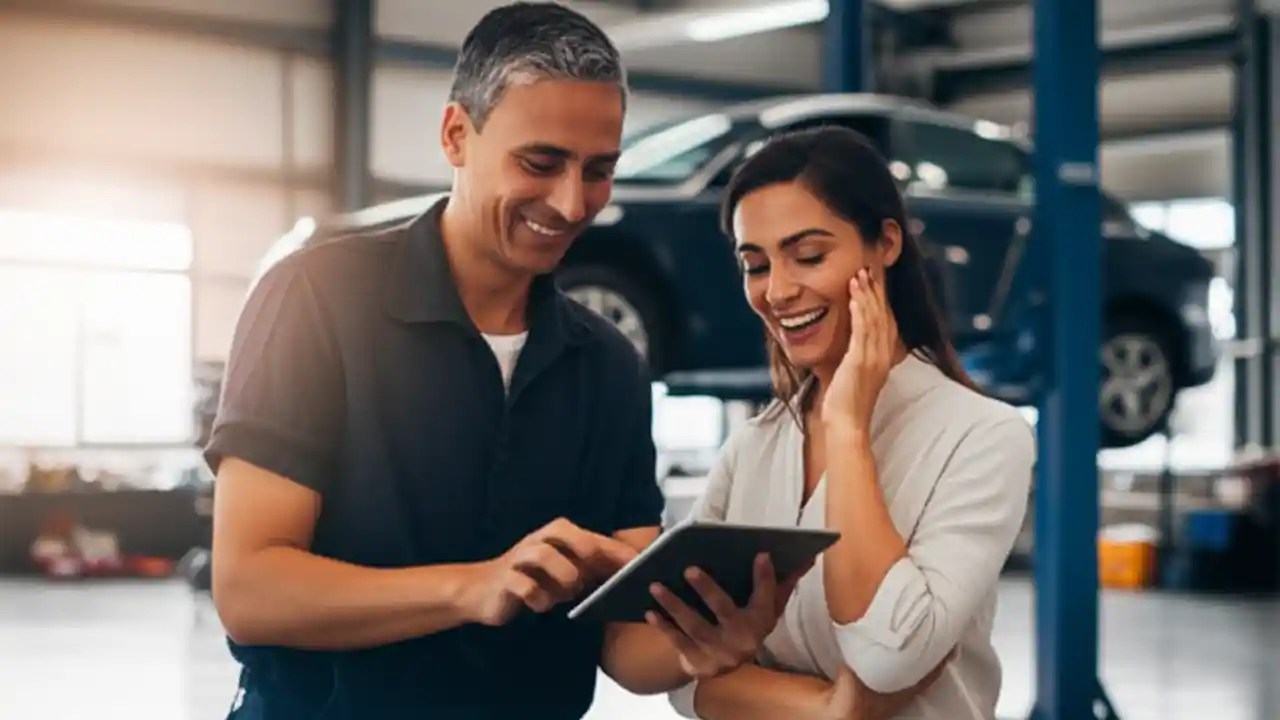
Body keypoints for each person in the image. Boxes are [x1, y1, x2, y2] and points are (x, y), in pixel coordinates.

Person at [204, 3, 797, 718]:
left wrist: (710, 638)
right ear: (457, 134)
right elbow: (250, 591)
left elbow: (623, 646)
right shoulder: (316, 298)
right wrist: (470, 588)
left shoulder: (608, 363)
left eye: (599, 170)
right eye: (541, 162)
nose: (573, 202)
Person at [666, 126, 1036, 720]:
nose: (779, 291)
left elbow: (890, 656)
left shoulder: (983, 435)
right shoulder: (756, 445)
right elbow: (686, 679)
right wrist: (835, 709)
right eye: (755, 265)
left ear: (885, 243)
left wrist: (846, 429)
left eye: (809, 256)